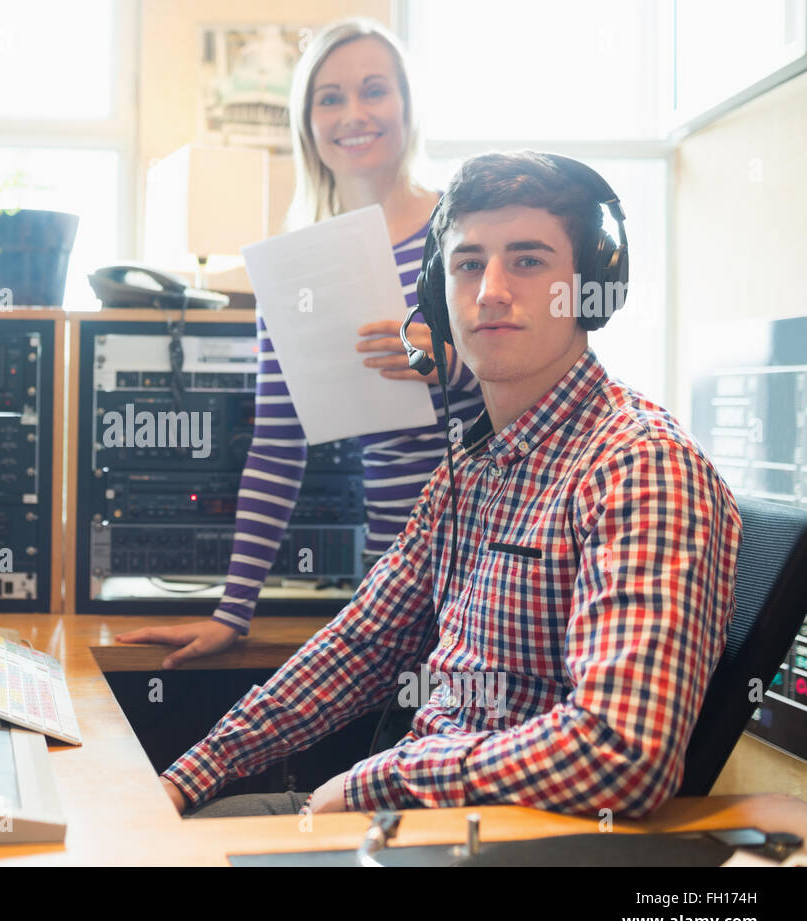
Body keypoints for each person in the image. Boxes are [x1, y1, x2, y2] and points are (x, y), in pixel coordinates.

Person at [160, 151, 742, 819]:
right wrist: (188, 777)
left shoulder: (640, 468)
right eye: (468, 265)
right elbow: (362, 645)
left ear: (591, 289)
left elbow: (619, 751)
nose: (490, 289)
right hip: (420, 815)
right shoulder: (469, 471)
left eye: (527, 260)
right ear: (439, 294)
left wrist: (376, 782)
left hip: (506, 842)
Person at [116, 18, 483, 671]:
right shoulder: (297, 267)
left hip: (497, 556)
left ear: (407, 104)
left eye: (375, 90)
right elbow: (277, 447)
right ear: (308, 122)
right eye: (330, 98)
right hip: (395, 568)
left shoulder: (466, 226)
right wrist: (232, 613)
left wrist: (449, 367)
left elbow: (542, 376)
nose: (355, 113)